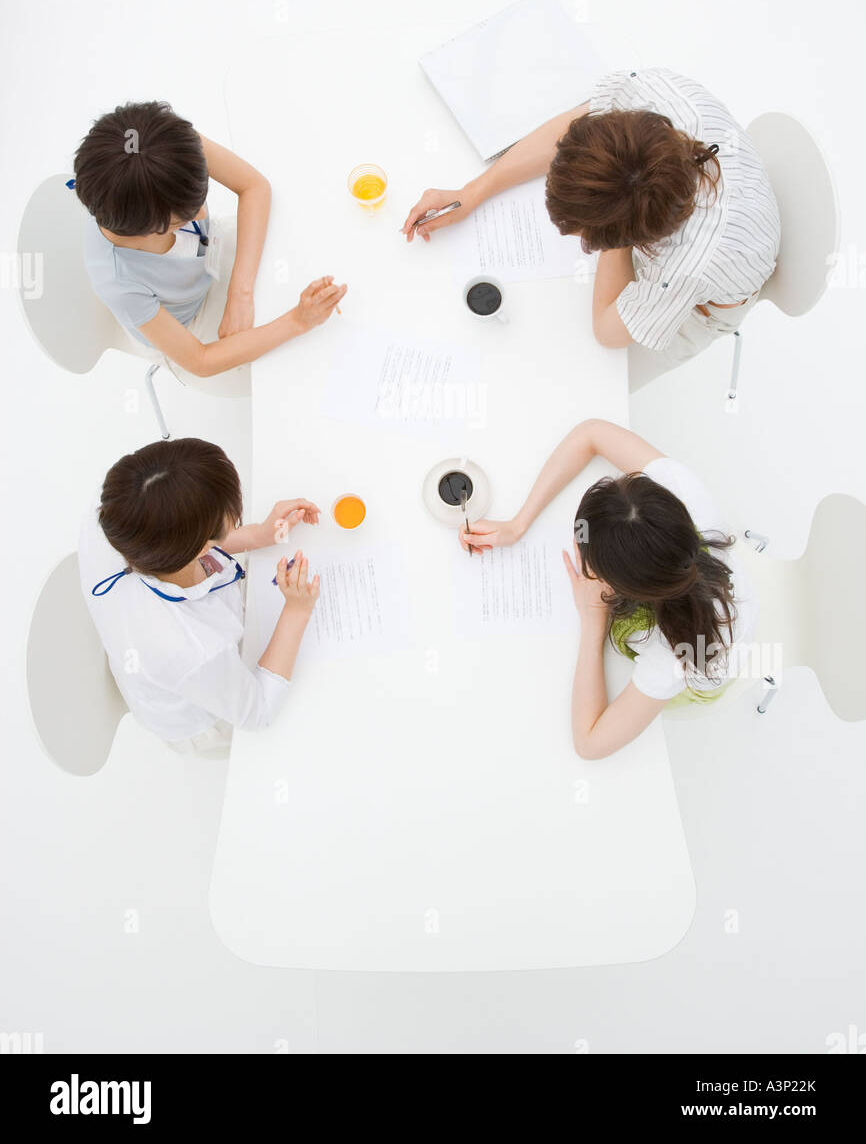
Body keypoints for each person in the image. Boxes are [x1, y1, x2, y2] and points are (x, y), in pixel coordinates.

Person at [403, 67, 780, 388]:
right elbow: (566, 133)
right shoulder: (652, 91)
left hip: (710, 302)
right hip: (711, 207)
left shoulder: (687, 267)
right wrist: (472, 192)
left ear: (630, 238)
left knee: (590, 380)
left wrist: (615, 231)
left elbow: (607, 331)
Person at [458, 419, 757, 759]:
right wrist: (519, 523)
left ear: (622, 587)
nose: (576, 541)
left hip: (707, 664)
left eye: (586, 551)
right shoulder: (678, 490)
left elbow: (589, 743)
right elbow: (591, 433)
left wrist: (593, 620)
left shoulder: (673, 655)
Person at [79, 437, 321, 757]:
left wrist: (262, 534)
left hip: (159, 665)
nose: (235, 523)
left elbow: (178, 536)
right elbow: (259, 712)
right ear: (200, 547)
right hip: (201, 722)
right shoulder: (194, 649)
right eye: (229, 521)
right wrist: (297, 610)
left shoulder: (111, 517)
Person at [75, 101, 346, 376]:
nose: (203, 213)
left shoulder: (164, 144)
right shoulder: (120, 283)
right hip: (186, 327)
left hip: (210, 261)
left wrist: (240, 295)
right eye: (181, 219)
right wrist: (298, 321)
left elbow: (254, 187)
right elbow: (201, 361)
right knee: (293, 370)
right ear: (146, 231)